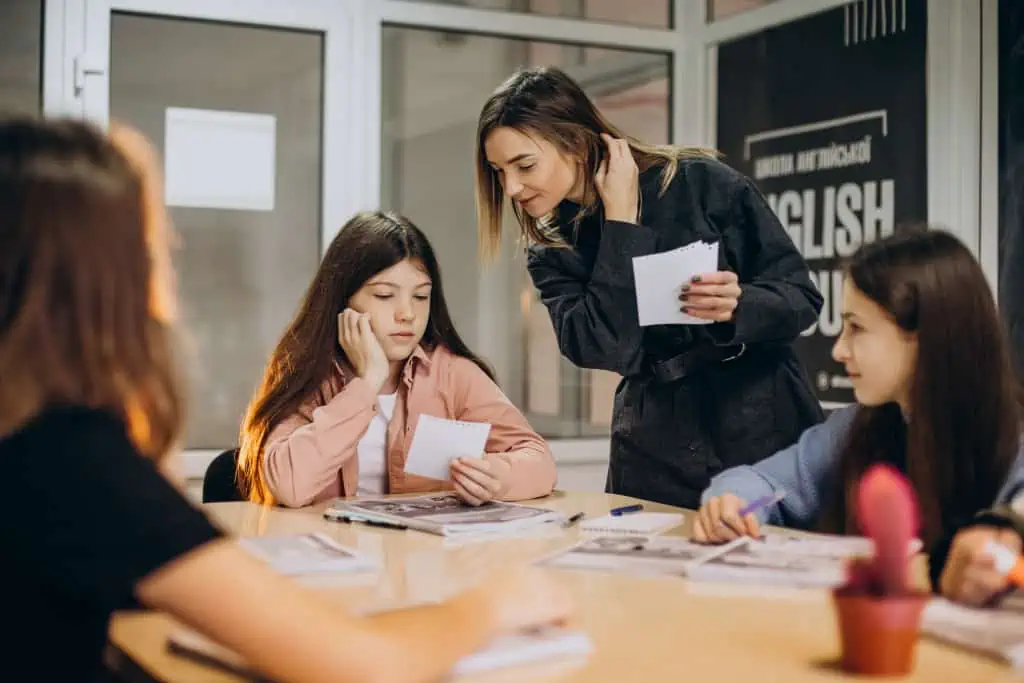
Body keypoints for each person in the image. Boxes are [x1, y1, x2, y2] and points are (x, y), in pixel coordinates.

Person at [0, 117, 572, 683]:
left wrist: (501, 474)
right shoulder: (77, 461)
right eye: (153, 250)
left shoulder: (46, 447)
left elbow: (532, 454)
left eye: (419, 296)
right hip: (357, 603)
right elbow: (362, 663)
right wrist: (495, 602)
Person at [475, 66, 825, 509]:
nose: (510, 187)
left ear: (576, 143)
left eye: (524, 165)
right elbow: (602, 347)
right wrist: (621, 222)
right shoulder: (551, 249)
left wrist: (739, 305)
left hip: (762, 420)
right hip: (654, 443)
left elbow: (802, 298)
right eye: (498, 171)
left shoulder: (700, 182)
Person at [694, 228, 1024, 601]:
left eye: (856, 328)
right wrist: (732, 502)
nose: (838, 350)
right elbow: (763, 481)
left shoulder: (1012, 439)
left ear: (925, 337)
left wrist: (1005, 539)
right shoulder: (856, 425)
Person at [237, 211, 556, 507]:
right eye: (384, 295)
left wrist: (498, 476)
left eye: (420, 296)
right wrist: (366, 384)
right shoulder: (308, 375)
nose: (407, 314)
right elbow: (289, 486)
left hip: (423, 549)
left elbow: (539, 460)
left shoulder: (452, 375)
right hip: (331, 549)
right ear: (342, 300)